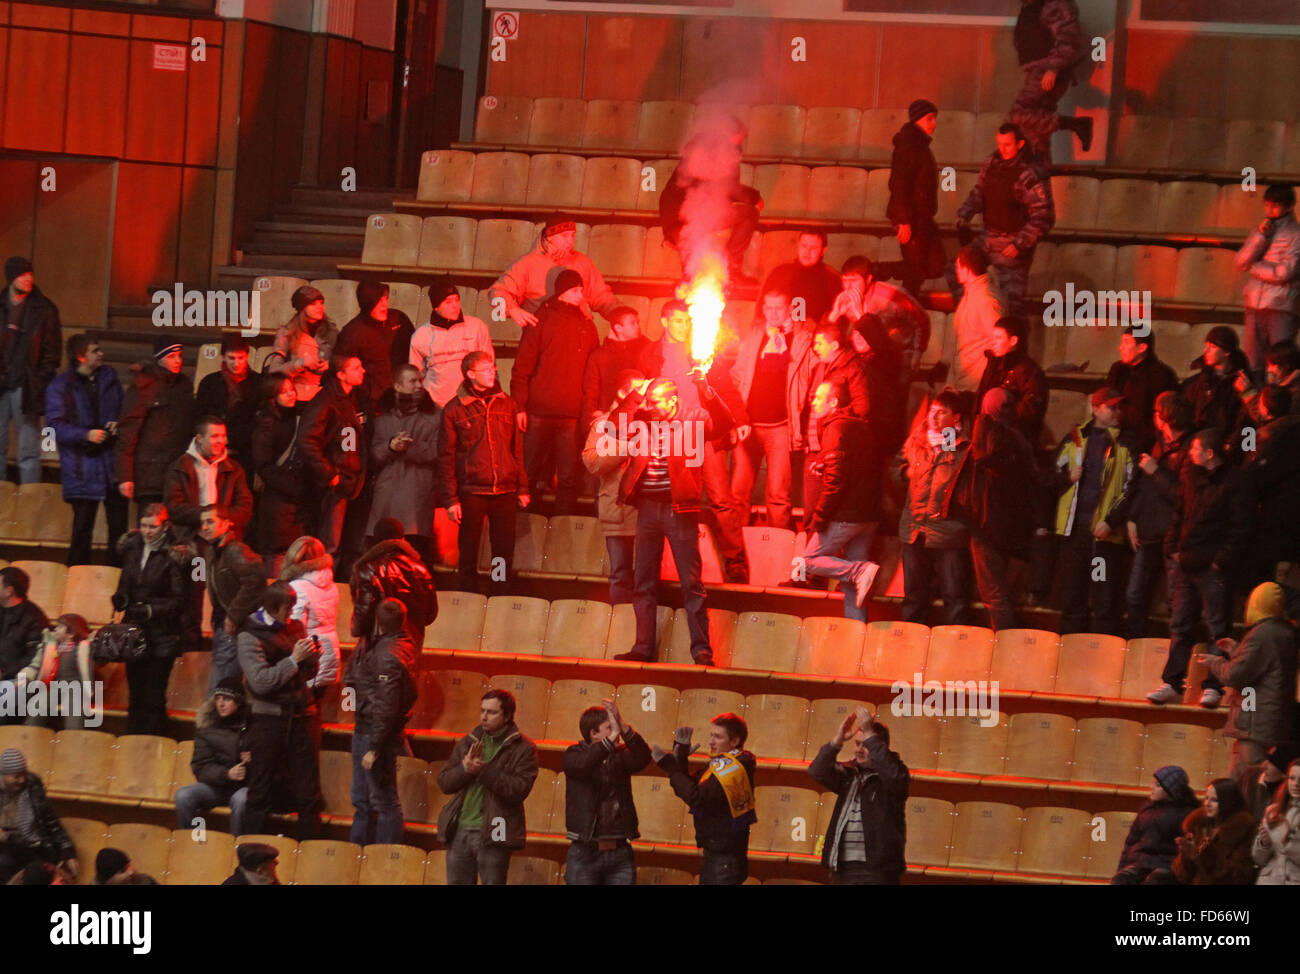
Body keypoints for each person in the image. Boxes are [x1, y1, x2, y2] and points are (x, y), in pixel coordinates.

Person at [612, 375, 734, 664]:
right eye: (649, 402)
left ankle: (701, 649)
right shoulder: (644, 418)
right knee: (643, 581)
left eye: (656, 402)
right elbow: (614, 427)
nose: (650, 407)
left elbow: (725, 422)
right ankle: (643, 647)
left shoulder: (693, 419)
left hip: (680, 510)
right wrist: (635, 396)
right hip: (648, 509)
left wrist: (706, 387)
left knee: (691, 583)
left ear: (673, 401)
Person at [642, 299, 747, 582]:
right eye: (678, 320)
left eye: (687, 320)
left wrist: (740, 419)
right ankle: (678, 567)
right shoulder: (650, 353)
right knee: (677, 499)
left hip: (705, 432)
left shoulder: (700, 352)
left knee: (721, 499)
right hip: (673, 437)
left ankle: (736, 563)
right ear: (664, 321)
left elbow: (724, 386)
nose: (684, 325)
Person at [1147, 429, 1253, 708]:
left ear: (1209, 453)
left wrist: (1221, 560)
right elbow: (1180, 511)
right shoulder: (1190, 477)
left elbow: (1241, 526)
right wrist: (1172, 547)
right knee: (1180, 624)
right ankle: (1172, 683)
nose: (1189, 454)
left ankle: (1214, 686)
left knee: (1218, 627)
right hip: (1186, 562)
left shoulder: (1235, 482)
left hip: (1213, 567)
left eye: (1194, 450)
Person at [237, 580, 322, 839]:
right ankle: (253, 850)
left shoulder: (295, 627)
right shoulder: (249, 635)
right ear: (273, 606)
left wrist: (311, 658)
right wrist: (294, 660)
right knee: (260, 790)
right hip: (268, 720)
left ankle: (309, 851)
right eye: (288, 606)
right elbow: (261, 682)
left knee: (309, 792)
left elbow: (307, 674)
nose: (292, 612)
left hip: (301, 716)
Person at [510, 268, 600, 516]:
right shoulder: (540, 320)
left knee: (568, 476)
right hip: (538, 411)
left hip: (571, 413)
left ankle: (562, 529)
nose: (580, 295)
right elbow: (522, 367)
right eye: (575, 290)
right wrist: (520, 406)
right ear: (562, 292)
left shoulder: (586, 325)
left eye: (581, 290)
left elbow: (593, 369)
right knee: (530, 472)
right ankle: (526, 523)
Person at [438, 351, 528, 596]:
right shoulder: (453, 410)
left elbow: (516, 450)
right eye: (486, 369)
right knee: (469, 546)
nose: (493, 372)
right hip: (472, 489)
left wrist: (523, 488)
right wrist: (451, 500)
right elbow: (446, 458)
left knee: (502, 547)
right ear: (470, 374)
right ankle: (466, 593)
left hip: (505, 488)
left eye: (493, 368)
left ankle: (499, 591)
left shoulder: (507, 404)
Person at [1050, 387, 1135, 636]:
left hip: (1104, 537)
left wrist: (1111, 521)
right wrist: (1067, 477)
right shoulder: (1075, 438)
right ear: (1096, 409)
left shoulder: (1126, 442)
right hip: (1075, 533)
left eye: (1119, 407)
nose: (1118, 412)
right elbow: (1050, 477)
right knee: (1073, 595)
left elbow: (1132, 488)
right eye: (1112, 407)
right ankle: (1071, 652)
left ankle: (1102, 655)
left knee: (1104, 598)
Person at [1108, 392, 1193, 639]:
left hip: (1173, 535)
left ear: (1165, 417)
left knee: (1175, 601)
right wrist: (1133, 518)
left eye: (1157, 413)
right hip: (1148, 532)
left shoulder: (1189, 449)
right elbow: (1142, 485)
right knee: (1134, 596)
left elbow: (1185, 496)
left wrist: (1157, 472)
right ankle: (1136, 648)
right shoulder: (1156, 443)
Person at [436, 688, 539, 885]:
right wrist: (464, 770)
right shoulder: (469, 741)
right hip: (461, 828)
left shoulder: (524, 748)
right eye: (482, 711)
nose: (484, 717)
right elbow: (445, 782)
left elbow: (518, 789)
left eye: (491, 712)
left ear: (508, 715)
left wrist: (481, 771)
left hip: (496, 828)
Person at [1197, 582, 1298, 781]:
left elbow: (1236, 675)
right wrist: (1237, 651)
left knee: (1247, 785)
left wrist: (1215, 662)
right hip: (1271, 722)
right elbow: (1260, 670)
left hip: (1254, 724)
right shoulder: (1284, 633)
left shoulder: (1261, 634)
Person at [958, 387, 1040, 631]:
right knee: (998, 593)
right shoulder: (1016, 439)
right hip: (1007, 526)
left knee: (993, 594)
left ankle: (1003, 646)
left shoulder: (985, 436)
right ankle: (1004, 643)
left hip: (985, 525)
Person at [728, 289, 808, 533]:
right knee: (738, 493)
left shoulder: (802, 338)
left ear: (788, 309)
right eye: (768, 308)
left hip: (781, 427)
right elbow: (737, 374)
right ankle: (737, 555)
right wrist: (737, 416)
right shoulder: (754, 336)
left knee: (777, 496)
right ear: (762, 309)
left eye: (778, 308)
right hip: (748, 426)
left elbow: (807, 381)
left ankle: (778, 556)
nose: (773, 313)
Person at [955, 123, 1054, 315]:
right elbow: (979, 193)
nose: (1002, 149)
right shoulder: (992, 163)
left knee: (1010, 304)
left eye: (1007, 144)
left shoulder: (1029, 174)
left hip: (1013, 243)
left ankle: (1012, 341)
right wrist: (964, 214)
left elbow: (1043, 215)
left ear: (1020, 144)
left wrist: (1020, 244)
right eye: (999, 144)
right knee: (960, 274)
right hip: (988, 236)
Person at [891, 391, 971, 626]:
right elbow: (896, 469)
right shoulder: (917, 440)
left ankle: (954, 648)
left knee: (954, 597)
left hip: (948, 533)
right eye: (932, 410)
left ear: (956, 417)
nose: (934, 417)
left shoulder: (965, 448)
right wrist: (904, 473)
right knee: (914, 595)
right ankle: (911, 644)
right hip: (915, 529)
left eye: (942, 412)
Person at [801, 380, 880, 619]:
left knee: (807, 561)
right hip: (869, 516)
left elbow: (836, 481)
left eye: (818, 398)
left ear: (834, 402)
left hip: (847, 515)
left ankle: (859, 570)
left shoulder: (834, 428)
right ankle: (856, 639)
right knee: (854, 588)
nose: (812, 402)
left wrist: (820, 516)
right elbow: (853, 468)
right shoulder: (859, 426)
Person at [46, 334, 127, 566]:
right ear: (81, 356)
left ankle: (117, 578)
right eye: (95, 350)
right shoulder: (60, 386)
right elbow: (53, 427)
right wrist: (85, 435)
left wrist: (117, 422)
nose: (101, 353)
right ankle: (76, 577)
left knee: (118, 530)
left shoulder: (109, 377)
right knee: (82, 530)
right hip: (82, 467)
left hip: (111, 464)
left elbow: (123, 409)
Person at [651, 713, 756, 885]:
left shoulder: (731, 770)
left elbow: (696, 797)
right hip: (718, 855)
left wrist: (672, 769)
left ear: (735, 741)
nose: (711, 742)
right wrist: (681, 760)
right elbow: (693, 787)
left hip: (724, 860)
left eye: (718, 737)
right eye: (711, 735)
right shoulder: (724, 763)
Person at [808, 706, 909, 885]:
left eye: (866, 744)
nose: (859, 750)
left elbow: (895, 778)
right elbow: (817, 771)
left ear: (880, 747)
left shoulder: (893, 774)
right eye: (857, 743)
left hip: (877, 871)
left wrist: (871, 734)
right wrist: (837, 741)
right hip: (843, 866)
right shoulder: (849, 774)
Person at [346, 598, 418, 846]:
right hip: (369, 728)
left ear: (378, 620)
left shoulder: (388, 655)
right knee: (365, 800)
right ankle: (358, 858)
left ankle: (382, 859)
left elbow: (386, 706)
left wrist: (375, 747)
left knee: (382, 801)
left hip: (374, 734)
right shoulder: (388, 646)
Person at [112, 504, 188, 736]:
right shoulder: (132, 548)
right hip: (134, 631)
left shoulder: (176, 554)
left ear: (164, 526)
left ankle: (153, 743)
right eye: (143, 526)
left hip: (162, 634)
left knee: (154, 694)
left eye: (152, 527)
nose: (147, 531)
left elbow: (180, 599)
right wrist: (121, 597)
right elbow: (126, 581)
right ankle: (133, 741)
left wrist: (151, 610)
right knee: (135, 693)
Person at [658, 119, 761, 285]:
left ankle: (728, 268)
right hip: (682, 217)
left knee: (748, 215)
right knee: (691, 251)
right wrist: (754, 197)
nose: (740, 143)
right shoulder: (709, 148)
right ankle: (692, 284)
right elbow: (727, 187)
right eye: (739, 138)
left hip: (704, 213)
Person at [562, 698, 651, 885]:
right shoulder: (574, 754)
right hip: (585, 850)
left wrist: (623, 725)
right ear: (593, 733)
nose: (616, 734)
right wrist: (610, 741)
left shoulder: (619, 756)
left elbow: (643, 757)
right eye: (610, 728)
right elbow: (583, 765)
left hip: (619, 850)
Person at [367, 364, 442, 566]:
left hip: (417, 499)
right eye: (413, 381)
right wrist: (390, 447)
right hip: (386, 498)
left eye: (420, 380)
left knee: (414, 561)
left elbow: (440, 452)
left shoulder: (435, 415)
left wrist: (410, 448)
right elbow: (369, 456)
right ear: (397, 386)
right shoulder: (380, 417)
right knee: (381, 561)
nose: (419, 385)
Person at [491, 215, 620, 330]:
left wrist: (619, 313)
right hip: (542, 338)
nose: (570, 241)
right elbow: (497, 292)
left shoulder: (583, 262)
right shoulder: (527, 263)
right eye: (564, 236)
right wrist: (512, 309)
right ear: (549, 237)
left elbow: (600, 295)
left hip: (578, 335)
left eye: (572, 235)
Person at [297, 354, 367, 559]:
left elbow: (349, 439)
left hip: (350, 481)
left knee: (340, 542)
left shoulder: (352, 399)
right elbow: (307, 439)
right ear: (340, 375)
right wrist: (329, 474)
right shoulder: (326, 401)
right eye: (356, 368)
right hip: (335, 483)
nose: (362, 371)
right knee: (330, 543)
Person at [582, 369, 642, 605]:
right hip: (617, 510)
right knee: (620, 574)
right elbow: (592, 462)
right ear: (622, 392)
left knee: (646, 577)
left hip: (646, 514)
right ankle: (620, 628)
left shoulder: (653, 421)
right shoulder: (602, 424)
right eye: (637, 391)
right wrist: (626, 448)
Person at [0, 257, 60, 485]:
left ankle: (29, 504)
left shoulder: (44, 309)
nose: (28, 279)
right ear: (11, 277)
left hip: (26, 384)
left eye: (30, 274)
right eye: (22, 275)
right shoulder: (2, 305)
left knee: (28, 450)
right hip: (3, 382)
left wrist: (41, 378)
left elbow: (52, 351)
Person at [115, 338, 194, 508]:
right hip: (149, 472)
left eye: (179, 356)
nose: (178, 360)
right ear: (160, 357)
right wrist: (125, 476)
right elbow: (128, 431)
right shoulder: (144, 385)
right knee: (150, 524)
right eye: (172, 356)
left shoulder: (184, 384)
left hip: (177, 469)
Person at [1009, 0, 1091, 160]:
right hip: (1039, 69)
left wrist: (1053, 68)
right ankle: (1040, 172)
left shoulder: (1054, 5)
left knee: (1019, 113)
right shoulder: (1034, 6)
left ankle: (1075, 124)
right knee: (1036, 134)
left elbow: (1068, 39)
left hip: (1046, 70)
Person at [1235, 183, 1300, 381]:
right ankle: (1254, 407)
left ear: (1288, 206)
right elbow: (1240, 261)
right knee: (1253, 363)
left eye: (1275, 205)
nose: (1270, 209)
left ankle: (1277, 407)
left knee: (1279, 363)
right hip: (1254, 304)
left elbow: (1284, 273)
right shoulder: (1261, 230)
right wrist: (1260, 237)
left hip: (1281, 306)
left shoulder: (1296, 235)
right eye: (1267, 205)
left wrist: (1254, 266)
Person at [198, 505, 267, 692]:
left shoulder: (236, 550)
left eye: (210, 521)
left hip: (236, 627)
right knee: (224, 682)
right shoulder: (213, 551)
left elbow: (255, 582)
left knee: (223, 685)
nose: (204, 527)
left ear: (227, 524)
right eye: (202, 522)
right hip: (224, 624)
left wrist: (234, 615)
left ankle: (215, 720)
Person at [828, 256, 930, 375]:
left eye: (854, 280)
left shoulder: (890, 296)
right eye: (845, 280)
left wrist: (918, 352)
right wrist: (834, 315)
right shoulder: (845, 298)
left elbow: (922, 319)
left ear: (868, 279)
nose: (848, 287)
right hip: (866, 359)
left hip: (898, 358)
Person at [350, 517, 438, 649]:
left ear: (376, 541)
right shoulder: (421, 569)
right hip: (411, 646)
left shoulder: (368, 570)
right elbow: (430, 615)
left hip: (378, 647)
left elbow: (362, 619)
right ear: (402, 539)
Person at [174, 684, 249, 836]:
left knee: (242, 800)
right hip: (216, 787)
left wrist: (252, 760)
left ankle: (237, 847)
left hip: (244, 787)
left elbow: (267, 762)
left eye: (227, 699)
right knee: (184, 796)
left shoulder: (252, 726)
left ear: (239, 702)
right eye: (218, 699)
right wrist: (227, 774)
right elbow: (200, 767)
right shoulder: (207, 728)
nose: (221, 704)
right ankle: (196, 840)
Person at [163, 417, 254, 542]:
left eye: (223, 436)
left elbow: (244, 508)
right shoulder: (179, 467)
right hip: (190, 540)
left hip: (225, 540)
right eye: (214, 436)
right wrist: (206, 516)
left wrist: (219, 519)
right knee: (199, 562)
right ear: (200, 438)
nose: (221, 441)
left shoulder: (234, 469)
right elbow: (174, 507)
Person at [887, 100, 944, 298]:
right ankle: (907, 307)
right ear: (917, 119)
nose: (934, 123)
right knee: (915, 271)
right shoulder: (910, 145)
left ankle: (882, 271)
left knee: (934, 265)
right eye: (930, 118)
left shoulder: (918, 144)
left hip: (923, 216)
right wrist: (903, 220)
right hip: (913, 217)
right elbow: (899, 183)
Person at [250, 375, 307, 574]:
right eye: (284, 391)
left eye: (292, 389)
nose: (292, 394)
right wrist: (295, 488)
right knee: (278, 553)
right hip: (278, 500)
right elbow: (264, 467)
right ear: (272, 397)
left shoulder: (295, 417)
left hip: (292, 498)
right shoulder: (267, 426)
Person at [1244, 386, 1300, 585]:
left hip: (1272, 514)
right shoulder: (1292, 429)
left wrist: (1248, 431)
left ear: (1266, 410)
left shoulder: (1262, 437)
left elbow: (1249, 465)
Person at [336, 280, 415, 419]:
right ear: (367, 303)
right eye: (379, 301)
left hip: (403, 398)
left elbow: (416, 351)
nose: (384, 305)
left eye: (386, 299)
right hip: (373, 405)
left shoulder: (398, 319)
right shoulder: (352, 333)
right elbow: (343, 371)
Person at [1110, 765, 1199, 885]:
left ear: (1170, 791)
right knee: (1121, 879)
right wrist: (1121, 868)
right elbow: (1131, 842)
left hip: (1168, 865)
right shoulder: (1147, 809)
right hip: (1140, 863)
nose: (1151, 787)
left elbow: (1186, 850)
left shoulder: (1186, 814)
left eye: (1157, 785)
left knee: (1155, 880)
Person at [409, 279, 491, 409]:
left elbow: (490, 367)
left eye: (457, 300)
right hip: (436, 408)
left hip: (472, 405)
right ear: (436, 306)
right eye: (448, 302)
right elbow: (416, 376)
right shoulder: (421, 335)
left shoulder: (477, 327)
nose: (455, 306)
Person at [0, 748, 77, 884]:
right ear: (3, 775)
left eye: (23, 775)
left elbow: (53, 825)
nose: (21, 780)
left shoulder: (34, 793)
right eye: (16, 776)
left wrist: (68, 853)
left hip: (34, 850)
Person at [280, 536, 341, 700]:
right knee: (314, 710)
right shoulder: (331, 583)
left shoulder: (297, 587)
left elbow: (295, 627)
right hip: (329, 652)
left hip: (309, 657)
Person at [974, 315, 1048, 446]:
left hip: (1012, 442)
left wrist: (1004, 409)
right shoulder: (994, 365)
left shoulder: (1027, 370)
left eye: (998, 338)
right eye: (993, 338)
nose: (993, 342)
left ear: (1013, 341)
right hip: (988, 437)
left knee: (995, 397)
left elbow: (1032, 409)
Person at [194, 334, 261, 479]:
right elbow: (200, 417)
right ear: (223, 357)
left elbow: (259, 421)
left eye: (240, 358)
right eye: (231, 358)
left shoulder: (258, 383)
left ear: (247, 356)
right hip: (212, 455)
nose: (236, 363)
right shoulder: (209, 383)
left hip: (244, 455)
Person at [580, 304, 652, 434]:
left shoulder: (645, 351)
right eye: (632, 323)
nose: (638, 326)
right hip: (607, 421)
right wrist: (591, 414)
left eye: (638, 322)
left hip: (637, 420)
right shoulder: (600, 356)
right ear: (618, 328)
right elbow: (591, 390)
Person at [1169, 779, 1257, 885]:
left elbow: (1239, 876)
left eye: (1214, 800)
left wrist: (1205, 857)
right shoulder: (1199, 826)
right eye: (1206, 798)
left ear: (1228, 802)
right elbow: (1183, 876)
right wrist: (1187, 856)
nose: (1207, 804)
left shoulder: (1241, 829)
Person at [1105, 326, 1179, 451]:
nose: (1120, 347)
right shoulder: (1118, 370)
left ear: (1142, 348)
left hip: (1145, 444)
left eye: (1126, 343)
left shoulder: (1162, 375)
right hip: (1114, 437)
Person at [15, 614, 92, 731]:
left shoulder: (81, 650)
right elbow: (38, 664)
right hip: (54, 687)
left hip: (74, 688)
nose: (55, 629)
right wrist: (25, 676)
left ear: (71, 633)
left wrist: (88, 691)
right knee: (38, 705)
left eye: (60, 627)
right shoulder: (51, 648)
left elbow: (87, 672)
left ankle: (73, 738)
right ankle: (31, 734)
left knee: (74, 710)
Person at [266, 284, 339, 403]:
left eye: (321, 303)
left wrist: (328, 366)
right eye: (313, 304)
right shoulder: (287, 333)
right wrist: (300, 364)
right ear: (302, 308)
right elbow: (274, 372)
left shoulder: (332, 332)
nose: (319, 307)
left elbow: (340, 362)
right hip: (294, 396)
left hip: (322, 397)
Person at [948, 245, 1006, 392]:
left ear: (966, 268)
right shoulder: (971, 297)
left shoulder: (986, 299)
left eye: (958, 266)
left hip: (978, 384)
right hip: (966, 381)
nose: (956, 271)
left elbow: (999, 342)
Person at [850, 313, 908, 460]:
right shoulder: (862, 361)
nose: (857, 339)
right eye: (855, 334)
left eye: (863, 335)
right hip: (870, 434)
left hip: (880, 435)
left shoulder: (883, 363)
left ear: (873, 336)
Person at [759, 230, 843, 324]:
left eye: (813, 248)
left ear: (823, 251)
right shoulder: (779, 272)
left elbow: (839, 321)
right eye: (804, 246)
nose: (807, 252)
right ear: (798, 245)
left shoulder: (833, 279)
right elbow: (760, 311)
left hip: (817, 335)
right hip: (777, 334)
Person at [1180, 326, 1249, 441]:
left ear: (1226, 351)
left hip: (1223, 445)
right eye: (1206, 345)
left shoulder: (1242, 383)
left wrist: (1230, 445)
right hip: (1197, 443)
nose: (1205, 351)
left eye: (1212, 347)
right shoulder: (1197, 382)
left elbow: (1245, 422)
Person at [0, 566, 49, 693]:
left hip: (16, 680)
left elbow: (33, 657)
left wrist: (4, 671)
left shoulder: (34, 618)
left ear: (9, 591)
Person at [1253, 759, 1300, 885]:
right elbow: (1258, 859)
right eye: (1292, 778)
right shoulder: (1273, 811)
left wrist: (1292, 842)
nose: (1296, 784)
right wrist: (1264, 843)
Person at [1237, 340, 1300, 423]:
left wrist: (1248, 393)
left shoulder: (1294, 394)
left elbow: (1266, 418)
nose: (1269, 370)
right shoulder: (1281, 384)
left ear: (1287, 366)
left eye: (1272, 365)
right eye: (1268, 365)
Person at [1243, 743, 1300, 821]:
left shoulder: (1292, 794)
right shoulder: (1252, 778)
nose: (1264, 766)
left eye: (1271, 762)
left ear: (1285, 773)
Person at [92, 847, 156, 885]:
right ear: (108, 880)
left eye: (129, 865)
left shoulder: (144, 881)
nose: (131, 872)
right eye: (123, 871)